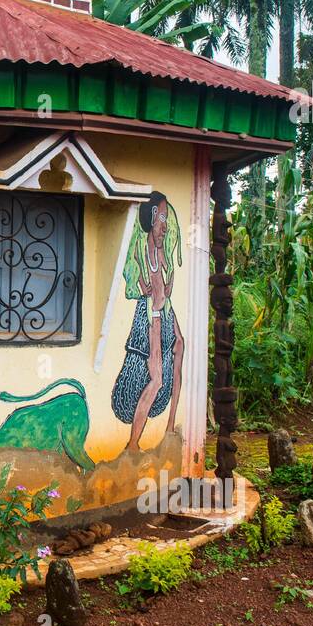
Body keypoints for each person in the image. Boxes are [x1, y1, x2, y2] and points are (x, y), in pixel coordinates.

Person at [111, 192, 184, 450]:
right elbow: (147, 292)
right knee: (156, 378)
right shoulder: (143, 254)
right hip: (150, 316)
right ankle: (132, 444)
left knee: (180, 347)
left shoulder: (161, 254)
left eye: (166, 218)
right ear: (152, 217)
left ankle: (170, 425)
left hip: (164, 312)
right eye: (162, 217)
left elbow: (166, 291)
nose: (165, 226)